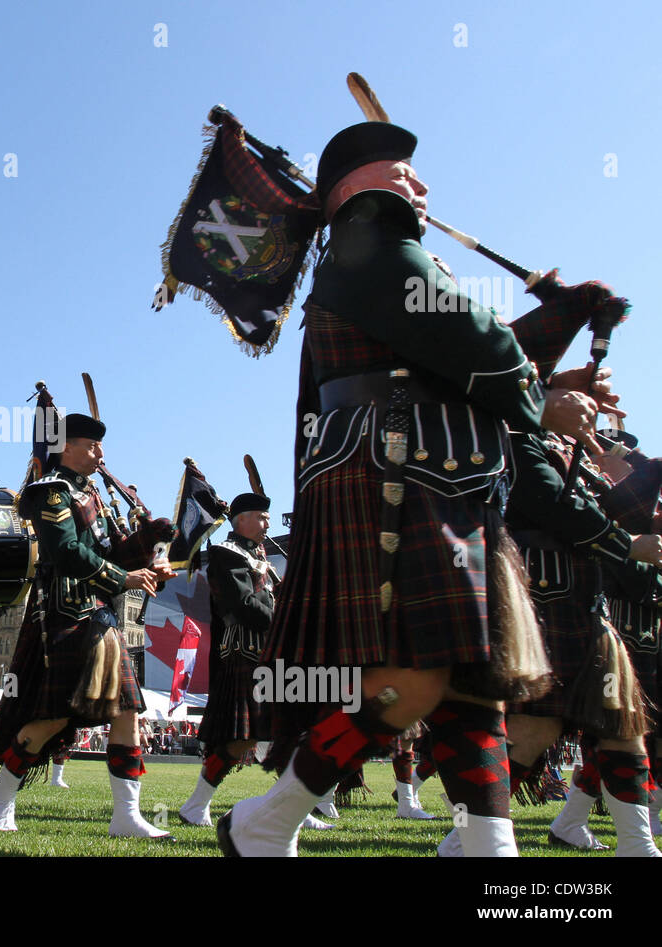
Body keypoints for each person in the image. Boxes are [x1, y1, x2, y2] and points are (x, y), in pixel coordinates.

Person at [220, 120, 622, 857]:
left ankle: (489, 845)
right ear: (353, 186)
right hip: (403, 476)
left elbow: (461, 357)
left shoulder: (370, 258)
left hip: (429, 476)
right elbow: (480, 345)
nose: (422, 186)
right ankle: (266, 819)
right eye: (403, 172)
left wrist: (561, 325)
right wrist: (548, 361)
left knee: (471, 680)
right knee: (414, 676)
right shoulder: (369, 232)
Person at [0, 412, 176, 839]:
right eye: (91, 445)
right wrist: (124, 579)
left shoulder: (95, 496)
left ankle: (126, 815)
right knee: (55, 717)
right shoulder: (51, 493)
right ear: (66, 447)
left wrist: (149, 546)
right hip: (66, 616)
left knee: (127, 712)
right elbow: (66, 552)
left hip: (101, 617)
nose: (100, 454)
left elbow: (112, 552)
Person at [501, 425, 662, 856]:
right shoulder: (517, 437)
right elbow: (559, 507)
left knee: (621, 725)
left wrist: (641, 469)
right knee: (533, 730)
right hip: (545, 601)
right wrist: (627, 544)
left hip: (588, 605)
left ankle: (637, 845)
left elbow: (606, 506)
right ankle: (462, 839)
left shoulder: (568, 446)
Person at [180, 493, 289, 825]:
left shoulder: (258, 554)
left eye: (268, 518)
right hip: (244, 652)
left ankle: (295, 803)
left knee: (286, 729)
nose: (267, 524)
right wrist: (284, 616)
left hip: (267, 654)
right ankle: (195, 806)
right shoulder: (226, 554)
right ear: (241, 519)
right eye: (261, 517)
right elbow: (242, 604)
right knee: (242, 737)